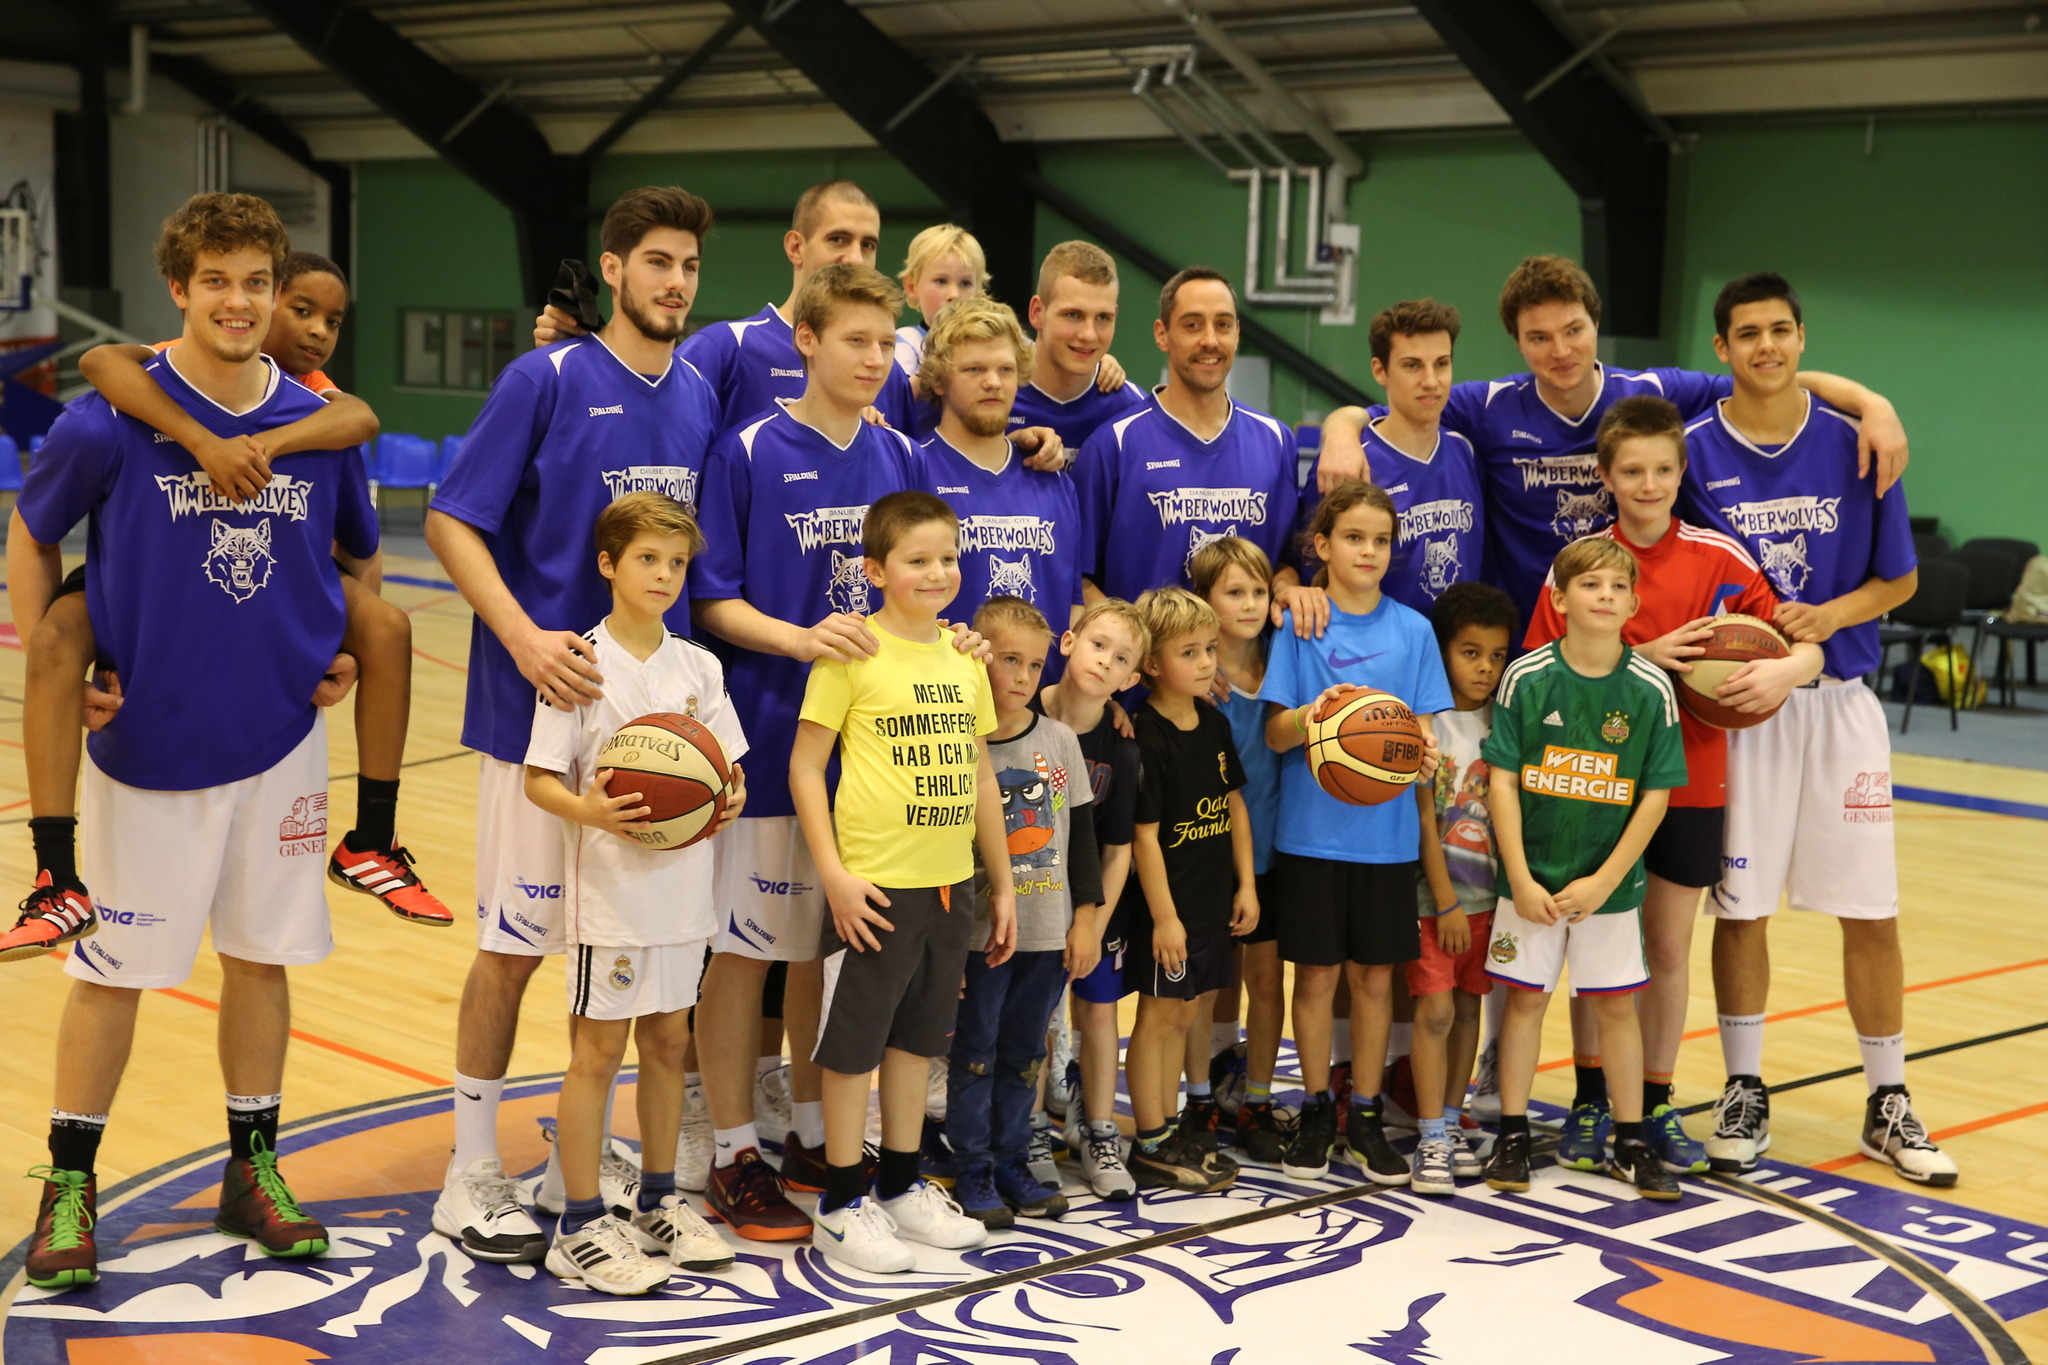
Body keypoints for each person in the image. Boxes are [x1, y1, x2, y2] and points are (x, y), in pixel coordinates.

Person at [13, 192, 378, 1290]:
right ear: (178, 288)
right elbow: (31, 542)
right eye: (215, 280)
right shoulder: (109, 421)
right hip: (149, 744)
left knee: (262, 960)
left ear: (277, 295)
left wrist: (342, 645)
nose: (237, 301)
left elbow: (357, 561)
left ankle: (251, 1168)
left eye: (256, 283)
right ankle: (68, 1183)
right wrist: (52, 664)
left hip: (281, 741)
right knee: (115, 970)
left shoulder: (311, 426)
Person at [426, 187, 723, 1263]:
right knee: (512, 951)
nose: (674, 282)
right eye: (654, 261)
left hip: (648, 741)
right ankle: (470, 1173)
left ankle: (588, 1168)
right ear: (611, 270)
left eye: (687, 264)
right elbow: (451, 517)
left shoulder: (694, 394)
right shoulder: (544, 378)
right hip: (535, 721)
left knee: (631, 971)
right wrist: (520, 637)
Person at [0, 253, 443, 965]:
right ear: (184, 291)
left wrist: (343, 650)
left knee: (387, 627)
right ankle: (56, 872)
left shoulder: (316, 399)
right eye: (303, 309)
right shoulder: (158, 380)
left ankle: (373, 837)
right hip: (148, 595)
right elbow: (111, 364)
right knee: (55, 638)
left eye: (331, 319)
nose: (318, 331)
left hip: (286, 610)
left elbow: (359, 419)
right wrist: (204, 442)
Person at [691, 263, 983, 1239]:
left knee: (827, 951)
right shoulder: (746, 450)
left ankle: (821, 1134)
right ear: (805, 341)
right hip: (774, 735)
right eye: (851, 340)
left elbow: (919, 582)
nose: (871, 359)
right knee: (744, 955)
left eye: (880, 342)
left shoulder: (897, 449)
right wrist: (801, 637)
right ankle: (732, 1149)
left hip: (878, 767)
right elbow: (710, 599)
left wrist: (957, 640)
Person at [1678, 272, 1953, 1186]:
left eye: (1782, 331)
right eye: (1747, 333)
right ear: (1722, 350)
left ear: (1803, 338)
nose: (1766, 346)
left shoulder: (1857, 441)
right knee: (1741, 907)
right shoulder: (1689, 450)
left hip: (1838, 701)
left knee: (1871, 906)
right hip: (1741, 703)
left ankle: (1889, 1099)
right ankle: (1744, 1086)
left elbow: (1902, 582)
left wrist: (1829, 619)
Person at [1524, 395, 1822, 1176]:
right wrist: (1640, 650)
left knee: (1665, 945)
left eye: (1662, 469)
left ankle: (1654, 1099)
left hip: (1690, 780)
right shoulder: (1581, 564)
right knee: (1600, 942)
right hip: (1591, 786)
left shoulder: (1721, 558)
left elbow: (1805, 648)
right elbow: (1534, 669)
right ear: (1605, 475)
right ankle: (1591, 1096)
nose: (1648, 484)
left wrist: (1791, 666)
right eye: (1632, 470)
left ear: (1681, 471)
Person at [1315, 255, 1911, 631]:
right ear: (1518, 345)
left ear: (1596, 325)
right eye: (1540, 337)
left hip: (1634, 634)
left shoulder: (1656, 391)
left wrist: (1871, 404)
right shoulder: (1488, 406)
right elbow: (1392, 406)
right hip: (1527, 635)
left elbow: (1764, 378)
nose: (1562, 350)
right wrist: (1341, 431)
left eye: (1574, 330)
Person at [521, 493, 745, 1293]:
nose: (663, 574)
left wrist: (729, 793)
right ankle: (578, 1221)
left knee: (668, 1046)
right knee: (596, 1054)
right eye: (647, 558)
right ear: (609, 563)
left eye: (676, 563)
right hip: (610, 897)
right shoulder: (578, 661)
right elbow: (540, 779)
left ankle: (657, 1198)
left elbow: (727, 765)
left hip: (684, 893)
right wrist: (589, 810)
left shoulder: (699, 667)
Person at [789, 489, 1016, 1271]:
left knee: (919, 1043)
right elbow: (806, 765)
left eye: (948, 557)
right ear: (875, 570)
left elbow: (981, 772)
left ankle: (899, 1184)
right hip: (874, 886)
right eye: (917, 560)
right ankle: (842, 1203)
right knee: (853, 1049)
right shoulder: (851, 651)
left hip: (951, 884)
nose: (937, 571)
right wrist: (834, 875)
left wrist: (1004, 880)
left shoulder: (963, 656)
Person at [1478, 536, 1686, 1201]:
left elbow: (1656, 796)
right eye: (1590, 584)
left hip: (1611, 887)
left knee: (1617, 1007)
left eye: (1617, 586)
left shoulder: (1652, 687)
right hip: (1530, 880)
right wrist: (1519, 874)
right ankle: (1512, 1132)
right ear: (1559, 599)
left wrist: (1603, 880)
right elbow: (1502, 782)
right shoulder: (1526, 676)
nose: (1604, 595)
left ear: (1634, 602)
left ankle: (1629, 1141)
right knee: (1525, 1002)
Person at [1259, 482, 1450, 1185]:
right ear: (1322, 546)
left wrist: (1422, 751)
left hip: (1388, 838)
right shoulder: (1302, 626)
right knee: (1315, 976)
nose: (1368, 550)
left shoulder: (1414, 630)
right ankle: (1315, 1107)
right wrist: (1322, 717)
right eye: (1353, 538)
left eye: (1380, 540)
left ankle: (1363, 1112)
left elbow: (1425, 735)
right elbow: (1276, 731)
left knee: (1375, 979)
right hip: (1311, 833)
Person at [946, 596, 1102, 1226]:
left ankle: (1015, 1160)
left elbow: (1083, 837)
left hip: (1046, 931)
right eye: (1008, 659)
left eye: (1034, 665)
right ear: (980, 658)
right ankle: (972, 1168)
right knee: (976, 1051)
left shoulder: (1060, 740)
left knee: (1023, 1055)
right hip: (983, 935)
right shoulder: (960, 742)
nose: (1020, 676)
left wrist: (1086, 917)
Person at [1075, 267, 1319, 634]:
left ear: (1237, 333)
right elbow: (1076, 578)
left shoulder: (1275, 440)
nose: (1210, 340)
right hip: (1142, 683)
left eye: (1222, 325)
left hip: (1247, 680)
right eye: (1192, 325)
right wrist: (1139, 653)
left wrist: (1286, 587)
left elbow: (1286, 561)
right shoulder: (1115, 444)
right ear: (1162, 334)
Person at [1120, 587, 1258, 1192]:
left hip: (1209, 897)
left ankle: (1169, 1125)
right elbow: (1144, 838)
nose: (1207, 662)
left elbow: (1234, 807)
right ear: (1151, 663)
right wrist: (1164, 919)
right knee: (1159, 1017)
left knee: (1185, 1015)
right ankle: (1151, 1139)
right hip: (1166, 907)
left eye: (1210, 649)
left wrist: (1247, 883)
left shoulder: (1215, 721)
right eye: (1190, 652)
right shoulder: (1145, 733)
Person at [1406, 582, 1516, 1193]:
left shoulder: (1506, 720)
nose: (1484, 668)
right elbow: (1424, 818)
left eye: (1496, 656)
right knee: (1439, 1008)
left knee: (1471, 1006)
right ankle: (1428, 1136)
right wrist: (1444, 900)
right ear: (1443, 650)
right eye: (1470, 652)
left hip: (1491, 899)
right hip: (1434, 900)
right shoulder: (1425, 724)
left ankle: (1451, 1119)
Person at [1037, 598, 1149, 1198]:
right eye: (1097, 645)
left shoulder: (1122, 749)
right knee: (1028, 1019)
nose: (1104, 662)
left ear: (1132, 680)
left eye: (1121, 658)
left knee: (1098, 1011)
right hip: (1026, 899)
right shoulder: (1015, 715)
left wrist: (1091, 924)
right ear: (1068, 641)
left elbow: (1118, 851)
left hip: (1094, 906)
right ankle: (1029, 1128)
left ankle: (1100, 1129)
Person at [1188, 537, 1288, 1163]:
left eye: (1259, 591)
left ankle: (1253, 1095)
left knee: (1266, 974)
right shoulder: (1189, 670)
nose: (1250, 604)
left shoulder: (1285, 656)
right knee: (1208, 978)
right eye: (1234, 592)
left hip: (1275, 845)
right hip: (1204, 847)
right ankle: (1202, 1094)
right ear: (1205, 601)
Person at [1296, 299, 1483, 613]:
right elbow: (1313, 577)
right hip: (1374, 655)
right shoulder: (1347, 463)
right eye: (1412, 365)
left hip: (1456, 654)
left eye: (1441, 363)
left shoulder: (1466, 451)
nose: (1431, 381)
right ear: (1379, 370)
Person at [918, 297, 1083, 630]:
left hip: (1042, 682)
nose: (993, 382)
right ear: (938, 380)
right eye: (974, 369)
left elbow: (1073, 604)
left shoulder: (1054, 480)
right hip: (949, 679)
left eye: (1005, 370)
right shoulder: (913, 470)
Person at [1008, 240, 1142, 450]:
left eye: (1103, 318)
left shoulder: (1133, 410)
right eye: (1073, 315)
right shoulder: (993, 396)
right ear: (1037, 312)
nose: (1089, 335)